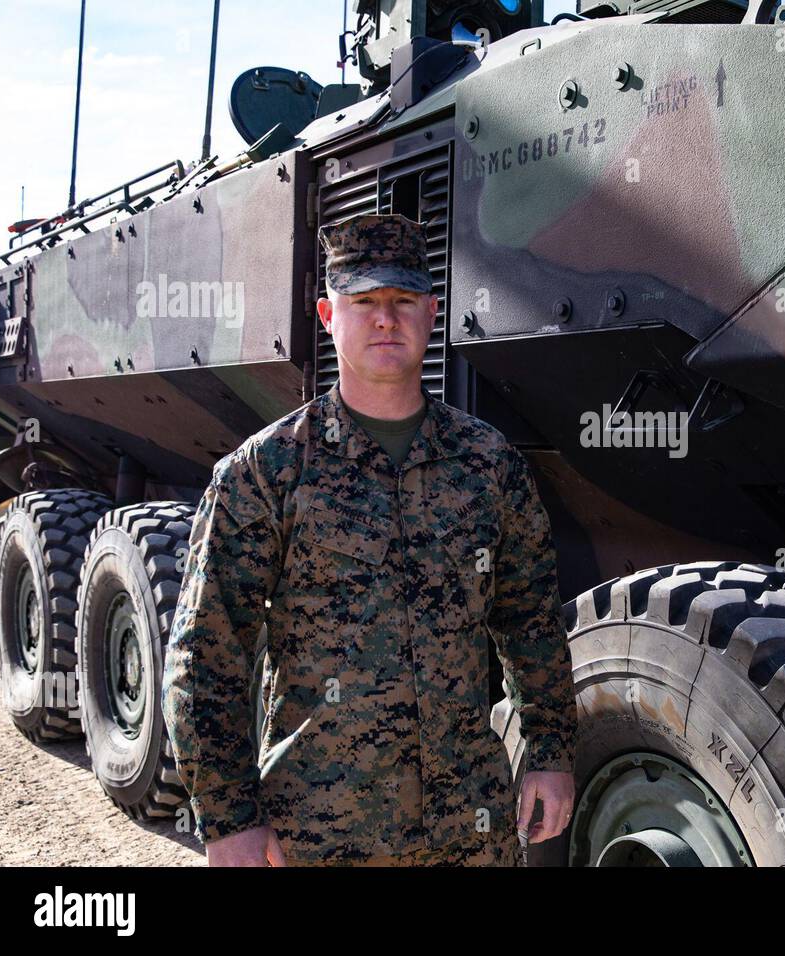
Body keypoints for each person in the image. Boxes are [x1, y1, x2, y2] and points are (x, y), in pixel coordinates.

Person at [161, 212, 577, 867]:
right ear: (330, 314)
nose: (386, 318)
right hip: (322, 834)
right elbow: (204, 654)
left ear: (432, 313)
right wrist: (228, 817)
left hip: (470, 829)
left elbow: (529, 619)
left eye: (404, 301)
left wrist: (550, 751)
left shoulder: (488, 464)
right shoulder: (267, 472)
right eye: (365, 302)